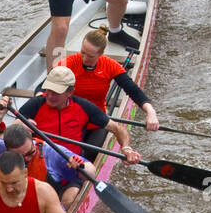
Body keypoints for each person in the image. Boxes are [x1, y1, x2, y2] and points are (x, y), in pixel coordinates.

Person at [13, 66, 141, 165]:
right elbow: (11, 130)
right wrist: (21, 125)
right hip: (39, 162)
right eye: (48, 90)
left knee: (70, 197)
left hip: (72, 164)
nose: (50, 96)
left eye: (56, 92)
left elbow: (117, 129)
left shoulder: (84, 106)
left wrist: (126, 149)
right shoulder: (36, 104)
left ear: (70, 92)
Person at [65, 25, 160, 128]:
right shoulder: (69, 62)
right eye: (83, 52)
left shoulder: (109, 65)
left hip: (96, 120)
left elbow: (133, 90)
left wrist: (151, 112)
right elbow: (49, 87)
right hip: (69, 118)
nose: (84, 59)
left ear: (101, 54)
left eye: (90, 56)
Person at [0, 110, 71, 184]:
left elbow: (84, 166)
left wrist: (75, 162)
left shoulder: (50, 151)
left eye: (30, 152)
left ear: (32, 140)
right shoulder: (2, 149)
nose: (26, 159)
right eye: (20, 157)